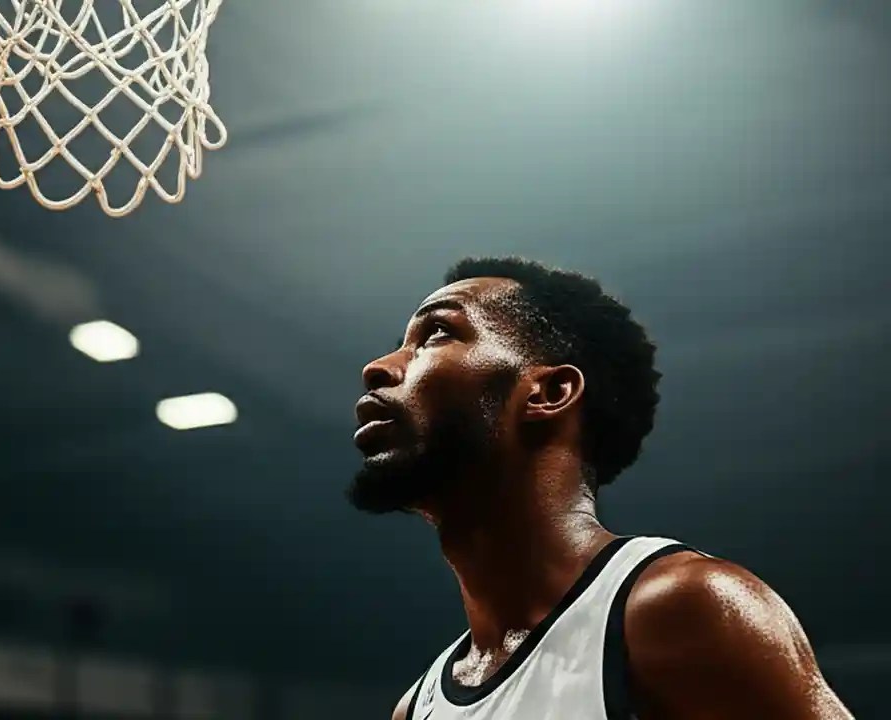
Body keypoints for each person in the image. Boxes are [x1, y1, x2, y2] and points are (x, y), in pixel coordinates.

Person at [348, 257, 853, 719]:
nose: (381, 366)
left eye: (436, 333)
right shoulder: (418, 707)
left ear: (548, 393)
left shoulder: (680, 609)